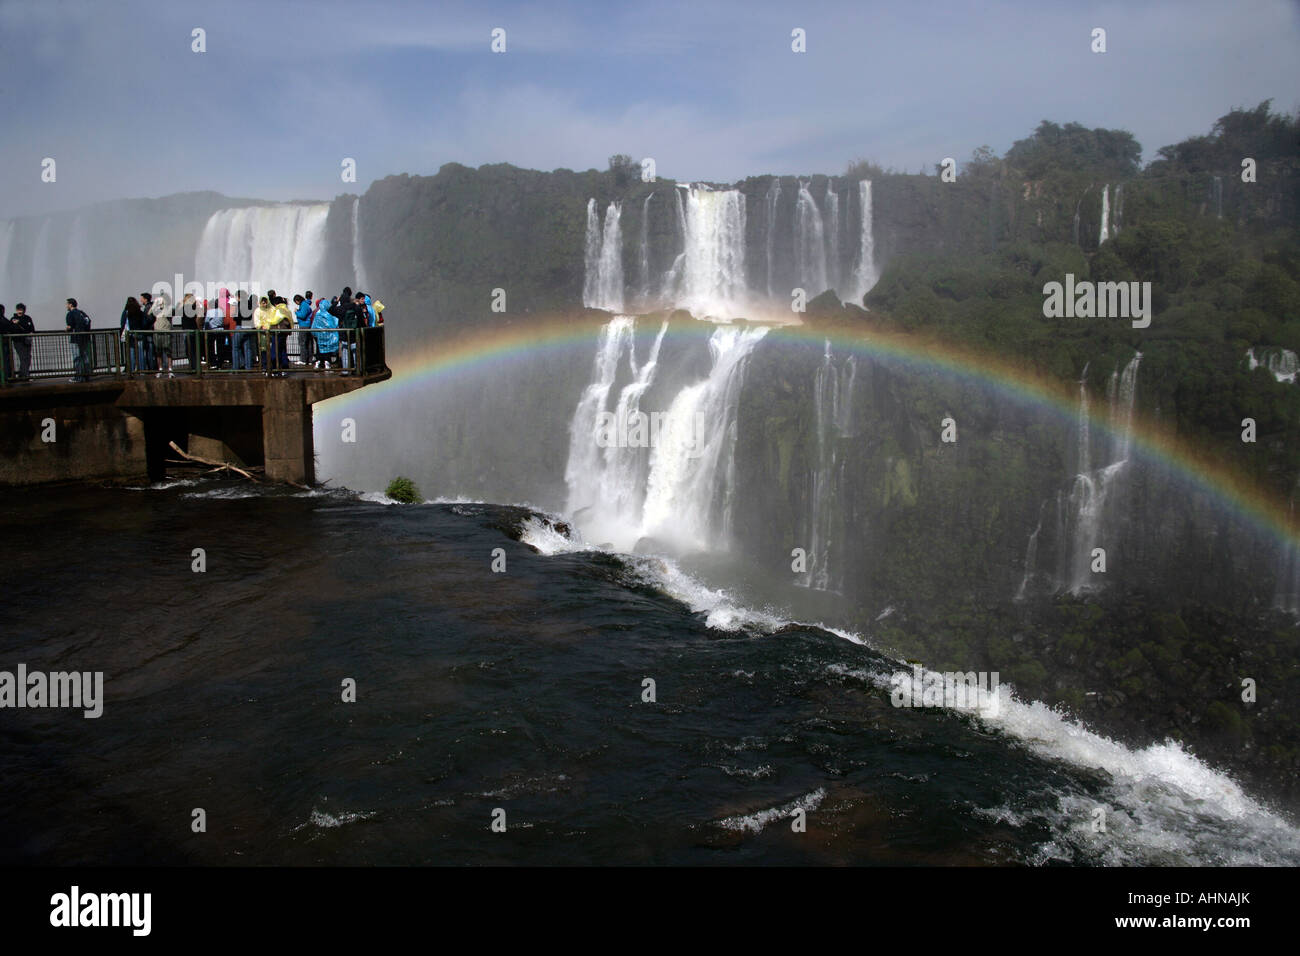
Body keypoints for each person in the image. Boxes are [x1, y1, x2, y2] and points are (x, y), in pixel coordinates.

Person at [65, 298, 92, 382]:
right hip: (84, 337)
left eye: (67, 304)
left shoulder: (70, 314)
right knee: (85, 356)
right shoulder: (82, 313)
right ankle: (87, 375)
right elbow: (88, 321)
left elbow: (70, 326)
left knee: (77, 357)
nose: (66, 306)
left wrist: (67, 329)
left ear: (70, 305)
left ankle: (78, 377)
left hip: (75, 338)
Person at [310, 297, 339, 369]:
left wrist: (314, 333)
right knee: (327, 349)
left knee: (319, 349)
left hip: (319, 335)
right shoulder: (328, 315)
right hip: (327, 335)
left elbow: (314, 325)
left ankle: (318, 363)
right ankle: (327, 364)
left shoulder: (317, 314)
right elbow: (332, 325)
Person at [151, 292, 174, 377]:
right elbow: (150, 313)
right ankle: (160, 369)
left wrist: (164, 306)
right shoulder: (157, 307)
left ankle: (170, 369)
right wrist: (156, 305)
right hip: (157, 330)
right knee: (158, 351)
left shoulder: (169, 307)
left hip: (166, 330)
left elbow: (169, 314)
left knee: (168, 351)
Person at [11, 304, 35, 380]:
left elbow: (32, 329)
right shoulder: (13, 319)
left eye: (21, 309)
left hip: (27, 341)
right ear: (16, 310)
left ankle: (22, 374)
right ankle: (26, 375)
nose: (20, 311)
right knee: (23, 357)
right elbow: (11, 329)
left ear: (24, 310)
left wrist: (31, 333)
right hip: (18, 341)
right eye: (19, 309)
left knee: (27, 357)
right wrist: (16, 324)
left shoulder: (28, 318)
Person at [293, 294, 314, 366]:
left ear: (297, 301)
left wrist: (296, 312)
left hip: (304, 326)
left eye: (296, 302)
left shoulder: (304, 305)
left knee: (302, 342)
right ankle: (309, 359)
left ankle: (303, 360)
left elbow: (303, 315)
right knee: (308, 343)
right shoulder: (306, 304)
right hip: (308, 325)